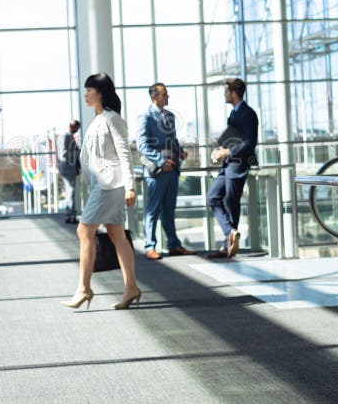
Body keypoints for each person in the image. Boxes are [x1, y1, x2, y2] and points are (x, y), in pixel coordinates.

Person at [61, 72, 141, 310]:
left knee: (84, 230)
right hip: (103, 184)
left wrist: (131, 187)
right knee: (117, 236)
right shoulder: (97, 120)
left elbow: (124, 153)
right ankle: (131, 288)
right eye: (85, 90)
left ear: (101, 92)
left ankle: (84, 289)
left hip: (111, 185)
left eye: (90, 90)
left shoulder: (112, 119)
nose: (86, 94)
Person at [137, 83, 195, 260]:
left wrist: (180, 152)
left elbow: (172, 139)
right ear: (155, 96)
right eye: (165, 94)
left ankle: (174, 245)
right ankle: (150, 246)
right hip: (157, 171)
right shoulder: (145, 116)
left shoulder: (169, 116)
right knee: (153, 210)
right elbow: (142, 145)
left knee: (169, 209)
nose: (168, 97)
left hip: (173, 168)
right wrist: (161, 162)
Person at [206, 78, 259, 259]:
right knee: (212, 196)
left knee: (231, 202)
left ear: (234, 94)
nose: (224, 95)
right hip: (228, 163)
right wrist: (220, 151)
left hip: (238, 165)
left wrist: (227, 152)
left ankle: (227, 245)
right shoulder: (234, 114)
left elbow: (250, 142)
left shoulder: (248, 114)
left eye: (226, 92)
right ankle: (230, 233)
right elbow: (233, 138)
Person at [59, 119, 81, 223]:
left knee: (69, 191)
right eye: (77, 128)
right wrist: (76, 152)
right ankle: (72, 215)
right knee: (71, 191)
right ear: (73, 127)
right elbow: (64, 153)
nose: (77, 130)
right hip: (68, 168)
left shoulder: (69, 136)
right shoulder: (66, 136)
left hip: (69, 168)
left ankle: (69, 214)